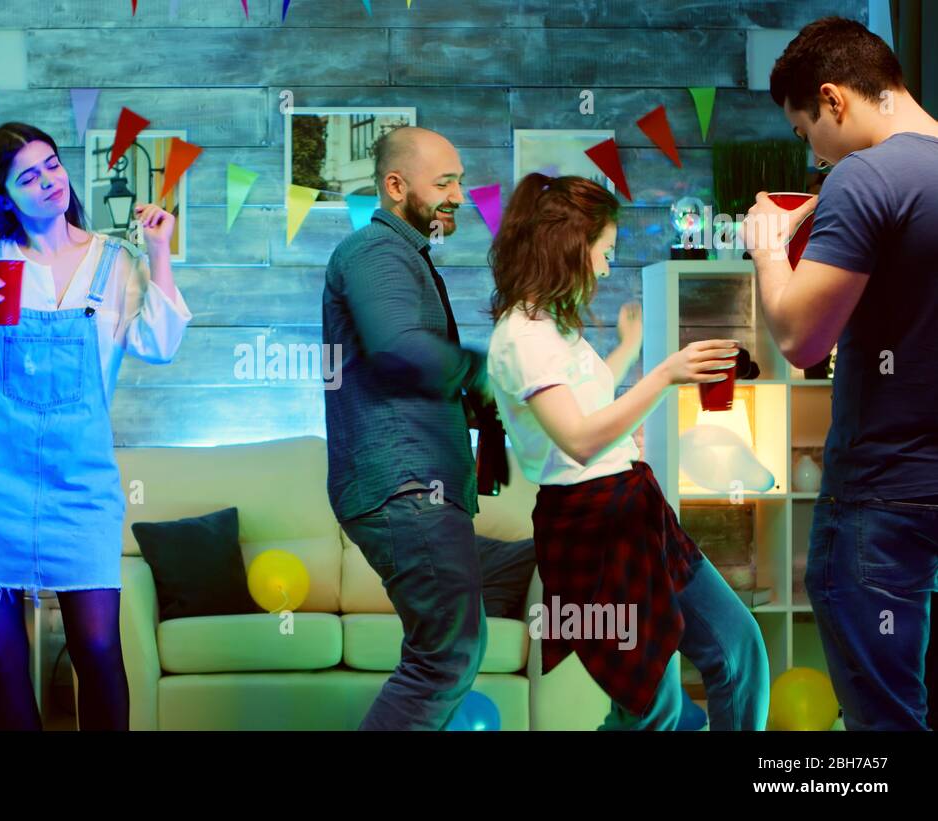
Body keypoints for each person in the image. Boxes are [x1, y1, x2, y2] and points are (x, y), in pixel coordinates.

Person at [0, 122, 191, 730]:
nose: (49, 181)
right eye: (28, 176)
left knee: (98, 649)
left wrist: (159, 254)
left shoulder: (115, 260)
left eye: (51, 165)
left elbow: (158, 344)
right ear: (2, 197)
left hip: (81, 487)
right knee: (0, 655)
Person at [487, 172, 769, 730]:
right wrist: (663, 374)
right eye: (605, 252)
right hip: (591, 531)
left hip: (636, 510)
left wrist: (628, 351)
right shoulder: (521, 337)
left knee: (739, 648)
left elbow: (585, 404)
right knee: (650, 708)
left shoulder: (554, 327)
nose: (606, 267)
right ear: (570, 247)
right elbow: (580, 438)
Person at [752, 16, 938, 730]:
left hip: (882, 497)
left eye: (805, 134)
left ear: (832, 100)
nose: (816, 156)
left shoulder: (865, 176)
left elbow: (802, 337)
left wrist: (770, 249)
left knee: (884, 720)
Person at [323, 125, 509, 730]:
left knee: (457, 643)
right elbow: (399, 348)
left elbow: (416, 366)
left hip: (420, 486)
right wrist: (483, 372)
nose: (459, 194)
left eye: (460, 180)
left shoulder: (406, 256)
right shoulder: (376, 252)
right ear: (396, 186)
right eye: (445, 182)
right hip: (405, 486)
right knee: (446, 656)